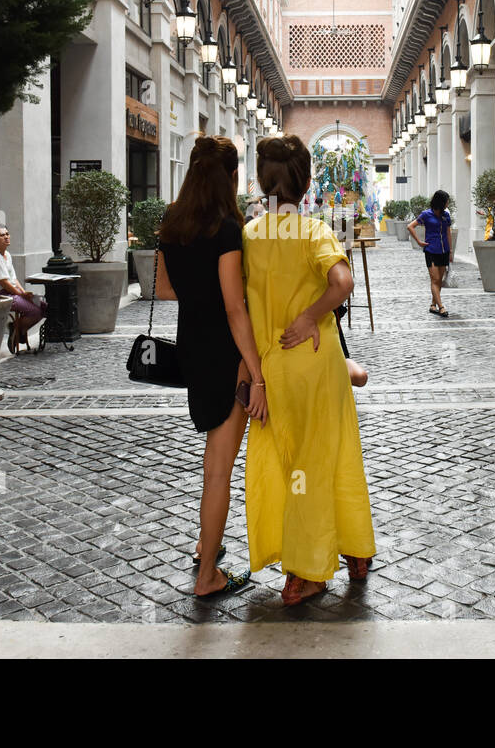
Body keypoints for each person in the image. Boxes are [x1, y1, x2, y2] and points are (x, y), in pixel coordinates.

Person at [243, 135, 376, 605]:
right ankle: (354, 552)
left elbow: (241, 310)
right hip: (321, 368)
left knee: (294, 466)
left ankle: (307, 571)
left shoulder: (252, 235)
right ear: (304, 183)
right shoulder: (314, 231)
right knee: (334, 456)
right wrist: (309, 316)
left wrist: (252, 377)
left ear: (262, 182)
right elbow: (342, 282)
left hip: (275, 369)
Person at [155, 136, 268, 599]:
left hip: (192, 347)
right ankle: (208, 576)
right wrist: (257, 373)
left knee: (212, 460)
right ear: (230, 177)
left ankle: (207, 544)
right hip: (226, 353)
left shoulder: (171, 222)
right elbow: (235, 308)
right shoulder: (225, 229)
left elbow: (163, 289)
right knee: (219, 467)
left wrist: (198, 292)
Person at [0, 227, 45, 352]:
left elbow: (14, 279)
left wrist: (23, 292)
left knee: (43, 305)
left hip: (12, 292)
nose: (6, 237)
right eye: (1, 235)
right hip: (0, 295)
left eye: (7, 234)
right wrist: (21, 295)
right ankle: (17, 329)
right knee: (36, 311)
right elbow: (4, 283)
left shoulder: (7, 255)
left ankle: (17, 329)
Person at [407, 190, 454, 317]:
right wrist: (419, 242)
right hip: (431, 250)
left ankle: (433, 305)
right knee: (435, 279)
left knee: (440, 280)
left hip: (444, 251)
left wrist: (450, 251)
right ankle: (441, 307)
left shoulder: (446, 216)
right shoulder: (426, 214)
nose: (448, 203)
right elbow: (410, 226)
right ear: (440, 202)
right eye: (446, 201)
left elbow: (448, 233)